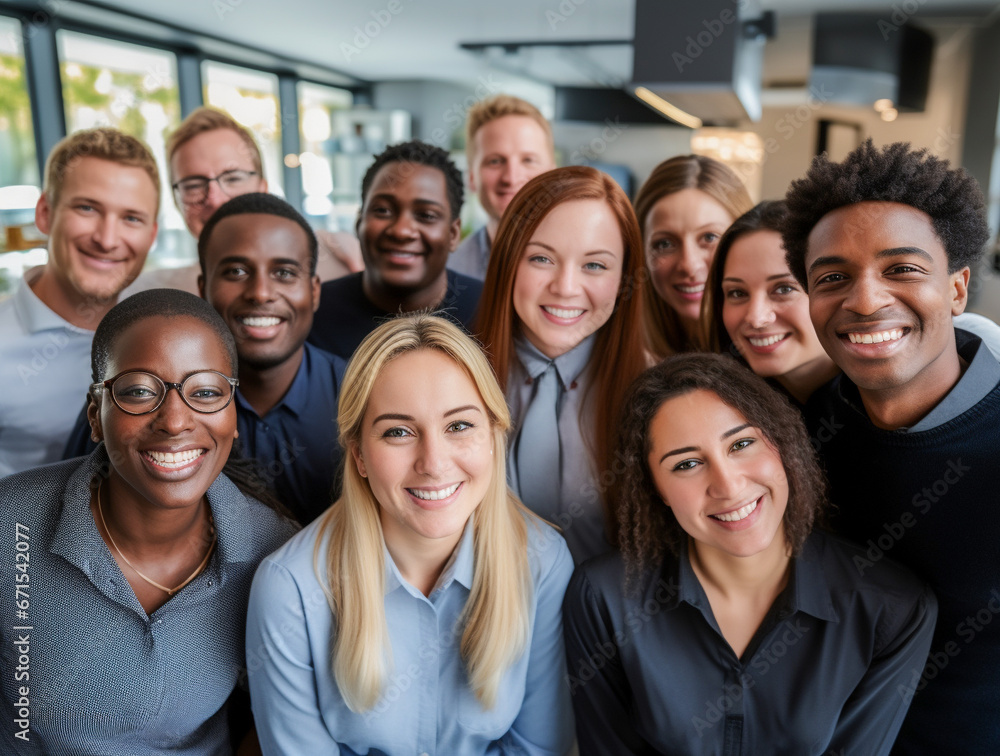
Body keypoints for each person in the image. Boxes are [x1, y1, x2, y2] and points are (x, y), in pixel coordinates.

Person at [563, 353, 936, 755]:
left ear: (783, 445)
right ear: (655, 488)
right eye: (687, 464)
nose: (728, 486)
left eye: (741, 444)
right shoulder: (603, 597)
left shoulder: (891, 610)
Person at [246, 314, 575, 755]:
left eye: (459, 426)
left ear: (495, 435)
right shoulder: (289, 588)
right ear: (359, 455)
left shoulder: (542, 561)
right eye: (398, 432)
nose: (433, 463)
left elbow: (538, 747)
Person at [0, 288, 297, 754]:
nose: (175, 421)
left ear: (233, 414)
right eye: (139, 391)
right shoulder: (10, 526)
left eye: (205, 392)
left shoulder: (277, 554)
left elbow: (283, 722)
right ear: (95, 415)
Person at [783, 139, 1000, 754]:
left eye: (902, 269)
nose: (865, 300)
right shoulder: (790, 433)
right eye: (833, 278)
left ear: (957, 289)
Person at [476, 165, 648, 563]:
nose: (566, 287)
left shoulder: (659, 393)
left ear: (624, 277)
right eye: (541, 258)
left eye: (595, 265)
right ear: (507, 261)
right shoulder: (453, 379)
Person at [705, 200, 1000, 406]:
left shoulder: (975, 346)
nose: (756, 317)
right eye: (736, 293)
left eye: (783, 288)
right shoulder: (728, 408)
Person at [0, 128, 159, 477]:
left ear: (152, 235)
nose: (107, 239)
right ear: (45, 213)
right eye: (87, 208)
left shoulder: (160, 336)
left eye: (131, 218)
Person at [198, 192, 347, 524]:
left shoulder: (366, 398)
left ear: (314, 291)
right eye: (236, 271)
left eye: (284, 273)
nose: (261, 293)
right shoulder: (162, 401)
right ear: (202, 289)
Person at [153, 106, 361, 294]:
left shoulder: (334, 261)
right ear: (176, 200)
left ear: (263, 188)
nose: (215, 200)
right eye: (193, 185)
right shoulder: (158, 292)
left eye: (233, 178)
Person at [308, 140, 483, 360]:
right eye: (382, 210)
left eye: (426, 215)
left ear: (453, 234)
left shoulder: (490, 310)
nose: (401, 231)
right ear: (359, 221)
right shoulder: (312, 313)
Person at [633, 154, 753, 358]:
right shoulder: (626, 358)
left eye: (709, 237)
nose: (689, 265)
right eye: (665, 244)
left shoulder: (775, 356)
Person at [448, 94, 556, 280]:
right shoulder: (448, 277)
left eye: (528, 160)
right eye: (495, 161)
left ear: (553, 175)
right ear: (472, 178)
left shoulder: (590, 266)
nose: (511, 178)